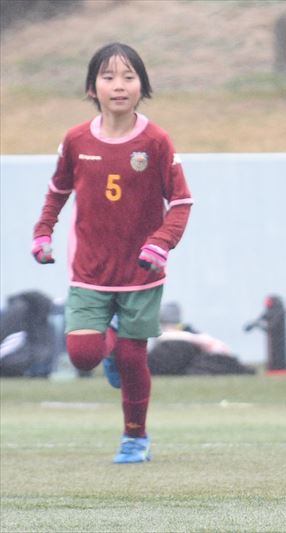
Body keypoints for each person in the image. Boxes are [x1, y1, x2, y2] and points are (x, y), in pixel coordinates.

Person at [31, 42, 193, 464]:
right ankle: (110, 349)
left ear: (142, 86)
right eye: (108, 77)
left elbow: (181, 202)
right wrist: (43, 231)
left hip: (141, 273)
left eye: (128, 77)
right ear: (92, 88)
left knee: (131, 356)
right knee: (83, 354)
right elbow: (57, 191)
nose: (118, 85)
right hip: (89, 270)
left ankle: (134, 437)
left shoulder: (156, 141)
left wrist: (161, 243)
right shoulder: (76, 139)